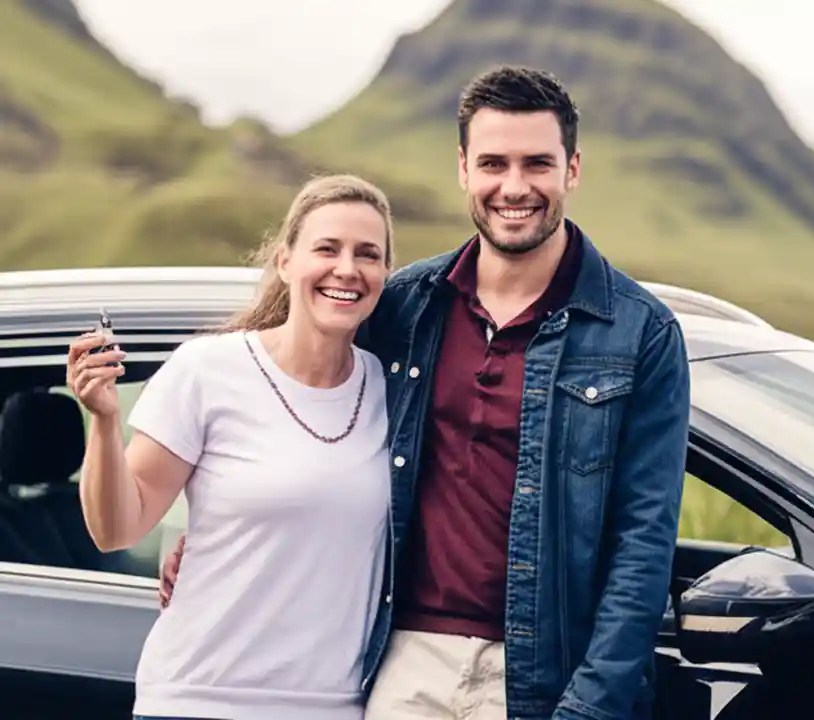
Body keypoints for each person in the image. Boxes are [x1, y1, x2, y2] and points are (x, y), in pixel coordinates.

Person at [158, 65, 692, 720]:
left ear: (572, 169)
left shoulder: (640, 333)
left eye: (537, 164)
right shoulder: (406, 306)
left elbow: (644, 542)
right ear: (464, 168)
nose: (514, 187)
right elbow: (283, 401)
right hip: (400, 664)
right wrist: (195, 530)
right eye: (493, 163)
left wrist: (590, 706)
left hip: (542, 679)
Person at [70, 174, 398, 720]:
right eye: (327, 248)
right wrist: (104, 421)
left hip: (333, 707)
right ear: (286, 260)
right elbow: (115, 530)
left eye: (368, 254)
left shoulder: (394, 390)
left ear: (386, 274)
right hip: (197, 700)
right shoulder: (207, 369)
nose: (347, 268)